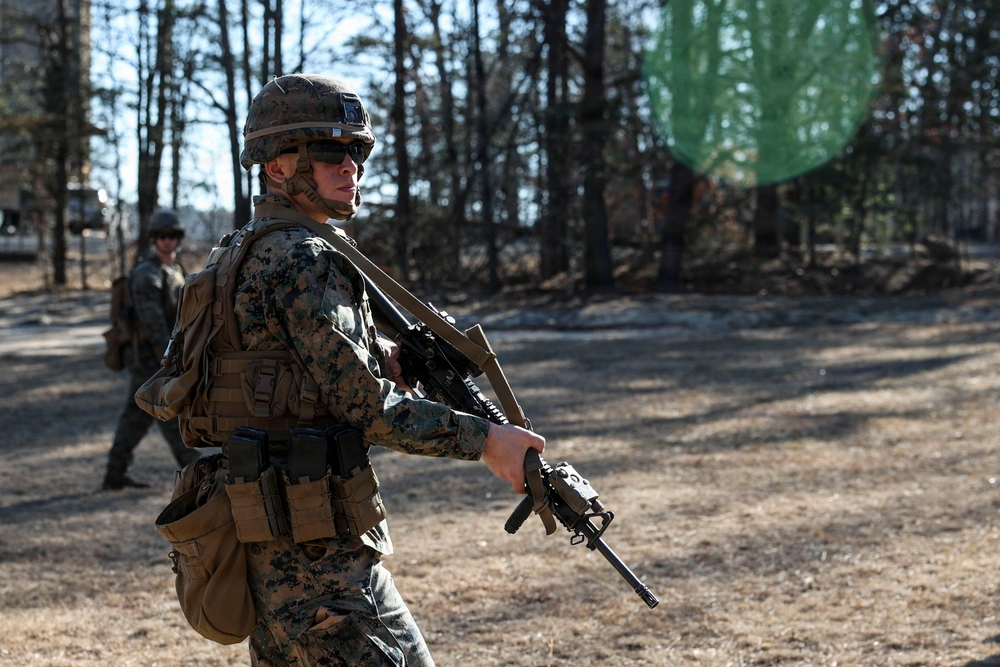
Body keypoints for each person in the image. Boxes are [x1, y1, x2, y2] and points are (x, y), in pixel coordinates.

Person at [212, 73, 544, 665]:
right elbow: (368, 408)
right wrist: (488, 440)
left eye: (355, 152)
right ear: (276, 167)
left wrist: (384, 357)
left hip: (271, 543)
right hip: (320, 564)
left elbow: (278, 374)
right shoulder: (304, 257)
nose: (351, 167)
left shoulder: (242, 248)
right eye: (329, 152)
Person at [102, 210, 200, 490]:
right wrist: (170, 360)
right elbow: (154, 322)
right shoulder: (147, 274)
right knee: (167, 411)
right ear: (154, 240)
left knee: (137, 418)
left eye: (172, 236)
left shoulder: (176, 271)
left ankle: (115, 472)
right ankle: (192, 469)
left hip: (161, 356)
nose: (167, 241)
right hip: (149, 357)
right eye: (162, 237)